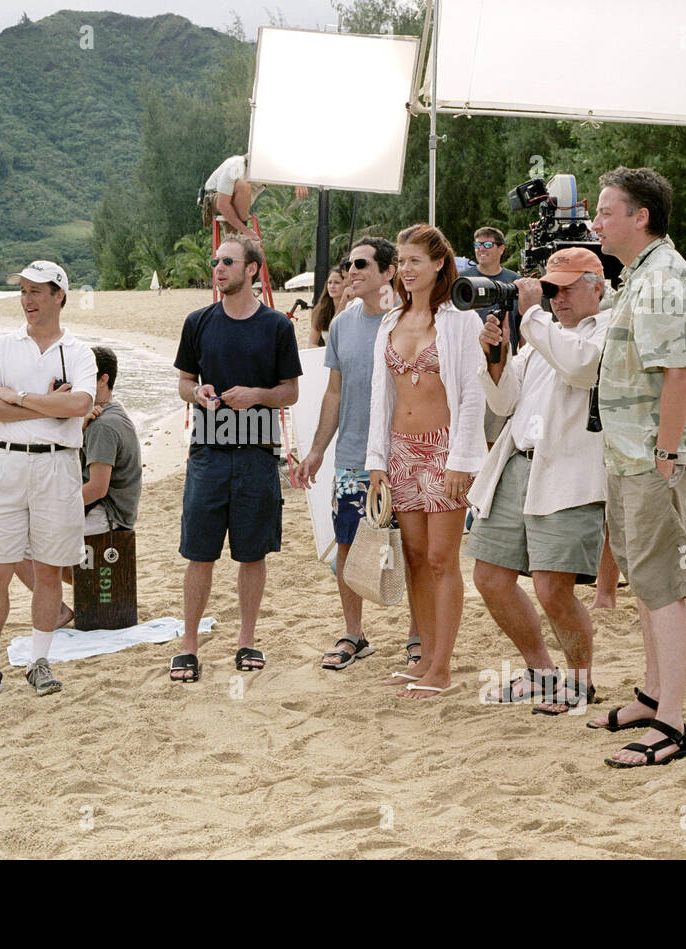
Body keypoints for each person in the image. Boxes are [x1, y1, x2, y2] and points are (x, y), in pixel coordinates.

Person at [588, 167, 686, 767]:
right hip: (630, 451)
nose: (596, 221)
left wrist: (667, 458)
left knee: (662, 584)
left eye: (606, 210)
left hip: (649, 455)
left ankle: (672, 724)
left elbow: (679, 373)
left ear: (640, 216)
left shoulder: (664, 278)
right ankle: (652, 693)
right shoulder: (641, 275)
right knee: (644, 576)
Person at [467, 248, 608, 714]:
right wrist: (496, 357)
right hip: (516, 464)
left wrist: (530, 313)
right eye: (551, 288)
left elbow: (581, 367)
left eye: (566, 287)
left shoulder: (605, 331)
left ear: (597, 287)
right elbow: (505, 403)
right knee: (489, 577)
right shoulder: (543, 339)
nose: (558, 297)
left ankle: (580, 683)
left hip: (568, 474)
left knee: (552, 588)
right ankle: (541, 672)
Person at [0, 261, 97, 705]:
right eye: (24, 291)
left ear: (60, 296)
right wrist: (48, 407)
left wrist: (18, 398)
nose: (28, 300)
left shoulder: (80, 351)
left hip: (58, 467)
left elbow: (81, 404)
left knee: (49, 570)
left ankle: (39, 661)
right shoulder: (1, 348)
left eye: (37, 291)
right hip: (6, 466)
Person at [170, 236, 302, 682]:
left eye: (228, 261)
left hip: (258, 455)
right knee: (199, 552)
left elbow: (291, 391)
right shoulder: (198, 322)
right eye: (215, 261)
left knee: (252, 553)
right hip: (208, 452)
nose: (218, 268)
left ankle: (247, 640)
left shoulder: (277, 327)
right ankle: (188, 645)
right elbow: (185, 383)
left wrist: (257, 396)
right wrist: (198, 392)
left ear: (252, 270)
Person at [366, 223, 485, 699]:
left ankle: (442, 666)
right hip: (400, 451)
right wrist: (377, 459)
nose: (407, 269)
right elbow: (381, 395)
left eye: (417, 259)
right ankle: (424, 658)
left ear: (439, 263)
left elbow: (473, 396)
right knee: (414, 558)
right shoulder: (389, 321)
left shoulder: (461, 321)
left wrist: (462, 459)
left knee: (441, 559)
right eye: (403, 260)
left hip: (444, 451)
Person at [295, 237, 421, 671]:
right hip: (351, 456)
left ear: (389, 271)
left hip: (404, 455)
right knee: (347, 545)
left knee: (413, 548)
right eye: (349, 263)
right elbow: (334, 393)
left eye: (363, 263)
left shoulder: (410, 321)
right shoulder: (344, 325)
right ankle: (354, 634)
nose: (352, 270)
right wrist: (315, 452)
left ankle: (418, 636)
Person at [590, 321, 686, 610]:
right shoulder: (625, 302)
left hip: (660, 443)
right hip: (625, 432)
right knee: (618, 510)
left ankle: (612, 594)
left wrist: (681, 412)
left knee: (658, 534)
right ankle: (606, 592)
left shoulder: (671, 301)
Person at [15, 345, 143, 625]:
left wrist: (53, 508)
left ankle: (62, 608)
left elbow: (98, 488)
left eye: (86, 375)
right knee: (33, 535)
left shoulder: (104, 426)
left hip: (108, 515)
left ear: (103, 379)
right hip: (105, 508)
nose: (77, 382)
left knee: (16, 543)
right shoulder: (104, 414)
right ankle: (90, 585)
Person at [458, 227, 522, 446]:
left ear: (501, 249)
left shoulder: (514, 282)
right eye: (477, 245)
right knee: (465, 433)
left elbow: (522, 329)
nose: (481, 250)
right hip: (466, 366)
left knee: (493, 437)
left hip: (499, 366)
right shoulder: (462, 281)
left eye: (487, 245)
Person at [309, 261, 350, 347]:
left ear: (346, 284)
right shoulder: (321, 310)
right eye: (329, 282)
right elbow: (311, 344)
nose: (332, 286)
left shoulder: (353, 308)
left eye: (337, 283)